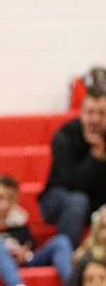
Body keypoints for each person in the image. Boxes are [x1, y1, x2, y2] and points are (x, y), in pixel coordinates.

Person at [0, 174, 72, 286]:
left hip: (23, 262)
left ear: (16, 199)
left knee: (61, 241)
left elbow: (31, 247)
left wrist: (25, 253)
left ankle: (72, 283)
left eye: (10, 198)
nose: (5, 204)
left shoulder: (21, 224)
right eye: (0, 197)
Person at [39, 82, 106, 246]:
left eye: (102, 113)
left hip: (96, 201)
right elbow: (72, 183)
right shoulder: (65, 136)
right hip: (59, 200)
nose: (96, 119)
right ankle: (69, 260)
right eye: (90, 113)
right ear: (81, 113)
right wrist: (95, 156)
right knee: (78, 200)